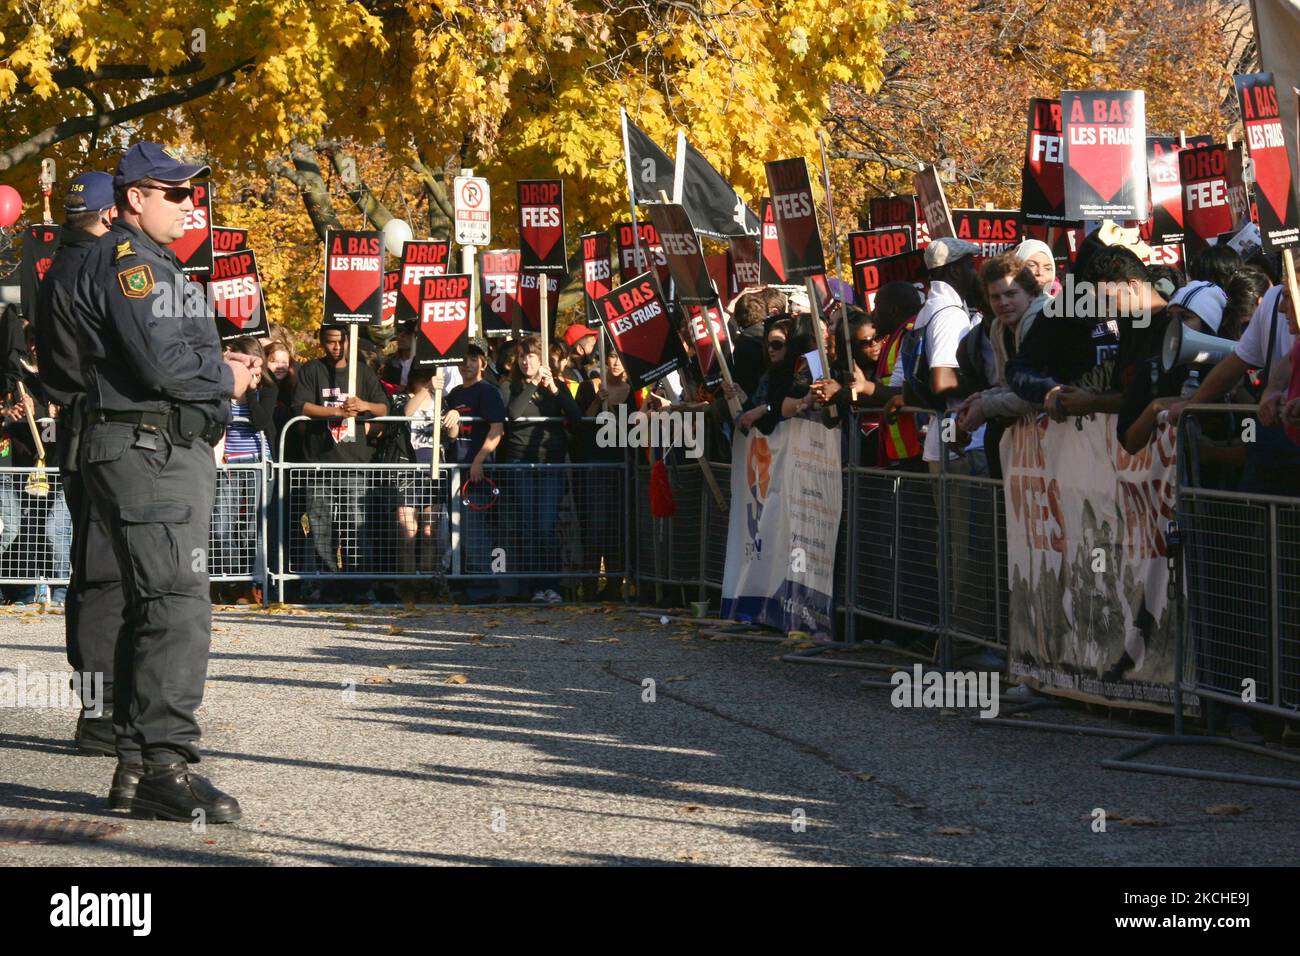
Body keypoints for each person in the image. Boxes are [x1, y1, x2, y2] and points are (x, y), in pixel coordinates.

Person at [72, 141, 260, 821]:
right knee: (177, 606)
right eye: (174, 193)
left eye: (192, 192)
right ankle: (164, 766)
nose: (190, 204)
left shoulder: (154, 262)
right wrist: (227, 378)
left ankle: (135, 765)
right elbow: (162, 364)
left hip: (154, 447)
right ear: (135, 200)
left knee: (150, 605)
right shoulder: (131, 264)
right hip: (147, 448)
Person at [29, 170, 121, 749]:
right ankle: (101, 710)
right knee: (104, 574)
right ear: (111, 217)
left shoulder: (61, 267)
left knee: (98, 574)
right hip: (100, 432)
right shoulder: (93, 270)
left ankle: (102, 705)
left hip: (84, 432)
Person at [290, 326, 391, 599]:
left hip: (354, 462)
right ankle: (322, 582)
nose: (336, 348)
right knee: (320, 524)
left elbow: (384, 407)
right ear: (322, 343)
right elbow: (300, 406)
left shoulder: (362, 371)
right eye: (330, 342)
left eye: (340, 342)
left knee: (355, 524)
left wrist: (364, 405)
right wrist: (336, 410)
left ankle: (359, 584)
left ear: (349, 341)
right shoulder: (311, 370)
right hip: (319, 462)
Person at [498, 335, 582, 602]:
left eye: (531, 356)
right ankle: (532, 587)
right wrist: (532, 384)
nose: (525, 361)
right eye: (522, 356)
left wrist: (555, 390)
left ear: (542, 359)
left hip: (549, 462)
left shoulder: (555, 385)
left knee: (546, 525)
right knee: (528, 526)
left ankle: (551, 585)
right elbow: (512, 413)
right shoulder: (508, 386)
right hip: (519, 462)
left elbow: (576, 416)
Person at [955, 254, 1046, 478]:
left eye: (1011, 294)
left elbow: (1038, 394)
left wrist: (986, 407)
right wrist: (979, 399)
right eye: (995, 296)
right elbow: (1011, 386)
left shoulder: (1041, 319)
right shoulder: (999, 328)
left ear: (1031, 293)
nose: (1003, 302)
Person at [1118, 280, 1227, 454]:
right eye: (1171, 317)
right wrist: (1155, 407)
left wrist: (1217, 451)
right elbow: (1129, 443)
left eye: (1185, 317)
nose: (1175, 325)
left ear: (1209, 324)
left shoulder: (1231, 371)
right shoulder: (1153, 369)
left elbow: (1250, 435)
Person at [444, 337, 506, 602]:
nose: (466, 364)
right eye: (462, 358)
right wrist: (452, 420)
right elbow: (452, 434)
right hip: (455, 469)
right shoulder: (455, 393)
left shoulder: (488, 391)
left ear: (482, 362)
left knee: (475, 529)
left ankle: (483, 587)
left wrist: (479, 460)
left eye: (472, 358)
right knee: (456, 530)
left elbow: (497, 429)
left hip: (476, 474)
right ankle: (464, 581)